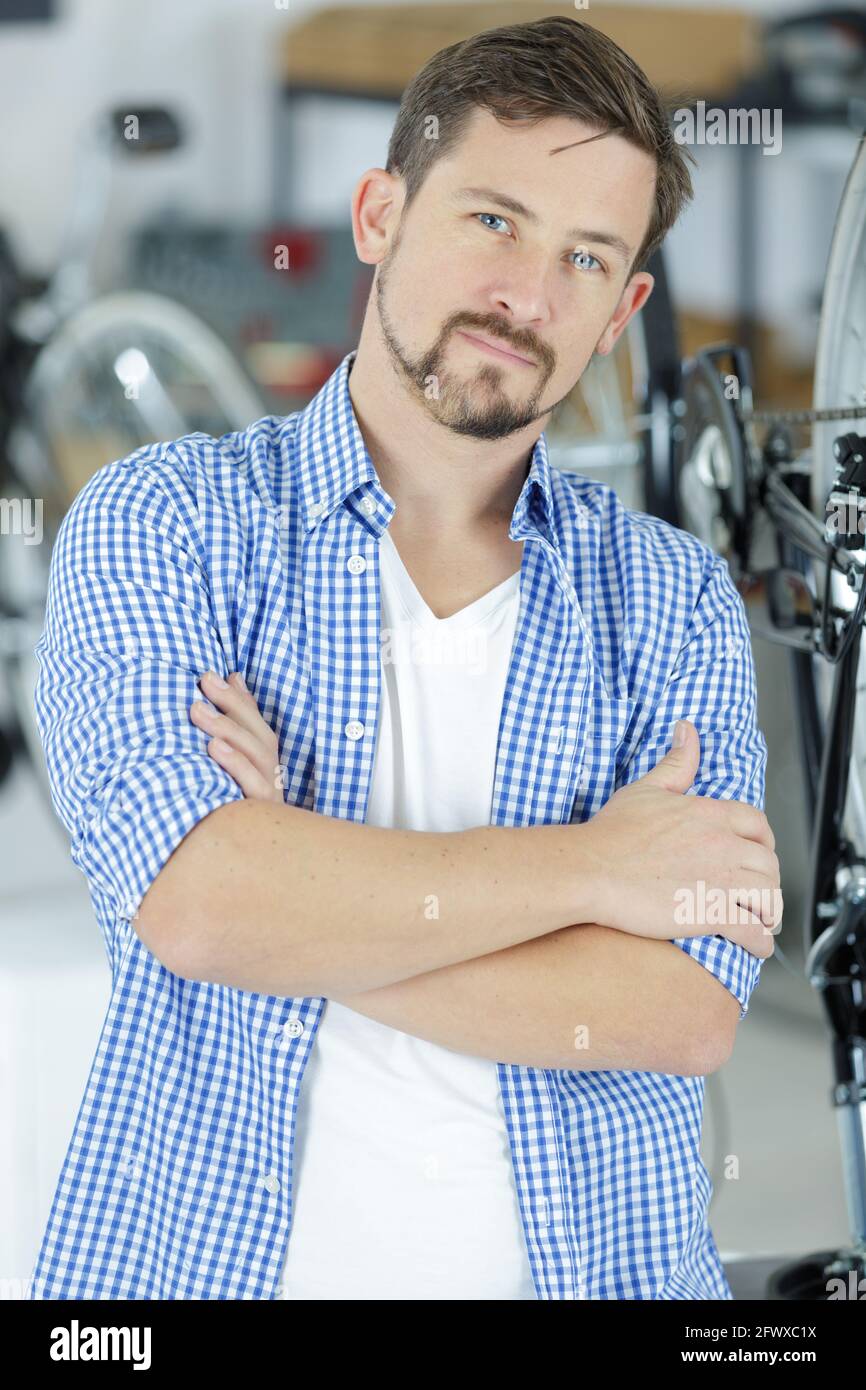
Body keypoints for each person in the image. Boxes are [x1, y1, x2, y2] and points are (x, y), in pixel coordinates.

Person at [28, 15, 780, 1301]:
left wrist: (295, 887)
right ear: (379, 212)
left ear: (621, 312)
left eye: (584, 256)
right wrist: (596, 870)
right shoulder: (167, 522)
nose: (525, 295)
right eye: (492, 219)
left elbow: (678, 1014)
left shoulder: (668, 600)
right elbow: (201, 903)